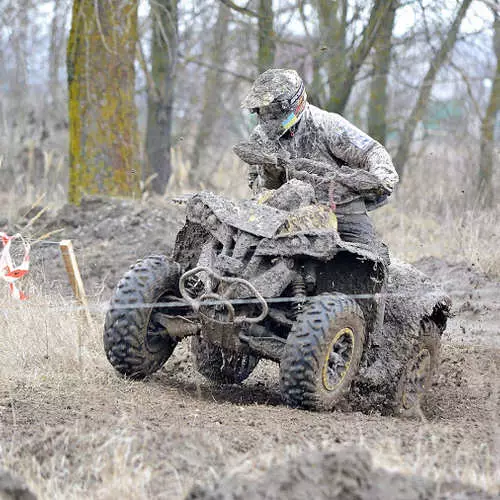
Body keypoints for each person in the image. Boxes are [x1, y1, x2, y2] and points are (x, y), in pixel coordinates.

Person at [236, 68, 399, 262]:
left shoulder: (327, 125)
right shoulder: (260, 138)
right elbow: (258, 190)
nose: (268, 117)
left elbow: (372, 151)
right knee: (251, 256)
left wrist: (382, 176)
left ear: (292, 105)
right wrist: (270, 174)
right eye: (263, 111)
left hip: (341, 209)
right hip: (289, 213)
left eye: (274, 111)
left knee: (368, 263)